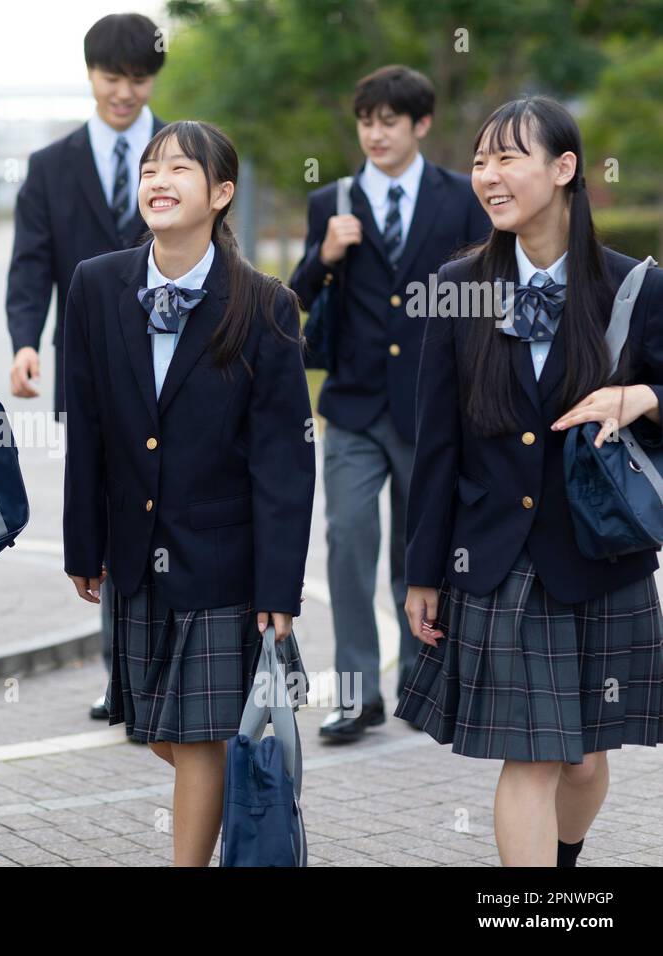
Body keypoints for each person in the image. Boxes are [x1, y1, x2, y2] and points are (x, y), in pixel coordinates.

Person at [399, 95, 663, 867]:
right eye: (480, 160)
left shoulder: (635, 288)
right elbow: (436, 443)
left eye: (508, 156)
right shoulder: (456, 286)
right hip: (498, 560)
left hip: (599, 556)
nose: (488, 175)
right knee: (534, 757)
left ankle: (564, 858)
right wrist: (423, 573)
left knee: (581, 761)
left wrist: (640, 396)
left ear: (564, 167)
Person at [62, 120, 314, 866]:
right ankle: (243, 801)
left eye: (179, 169)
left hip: (223, 558)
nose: (158, 180)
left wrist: (280, 586)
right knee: (162, 731)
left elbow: (284, 462)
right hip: (136, 554)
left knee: (201, 737)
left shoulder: (265, 304)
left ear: (222, 193)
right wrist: (84, 542)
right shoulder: (97, 284)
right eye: (149, 169)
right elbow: (90, 427)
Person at [288, 65, 491, 741]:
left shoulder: (462, 198)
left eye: (389, 121)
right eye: (366, 121)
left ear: (420, 124)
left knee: (422, 549)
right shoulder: (333, 201)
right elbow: (295, 301)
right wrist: (324, 253)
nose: (375, 133)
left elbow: (486, 298)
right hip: (352, 405)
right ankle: (356, 694)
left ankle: (421, 683)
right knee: (348, 540)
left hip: (434, 407)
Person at [6, 11, 167, 721]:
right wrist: (24, 340)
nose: (124, 93)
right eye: (111, 78)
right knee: (108, 514)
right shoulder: (50, 166)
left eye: (137, 79)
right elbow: (31, 263)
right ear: (91, 75)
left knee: (173, 511)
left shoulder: (182, 152)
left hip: (176, 365)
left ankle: (171, 671)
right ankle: (123, 677)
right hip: (91, 368)